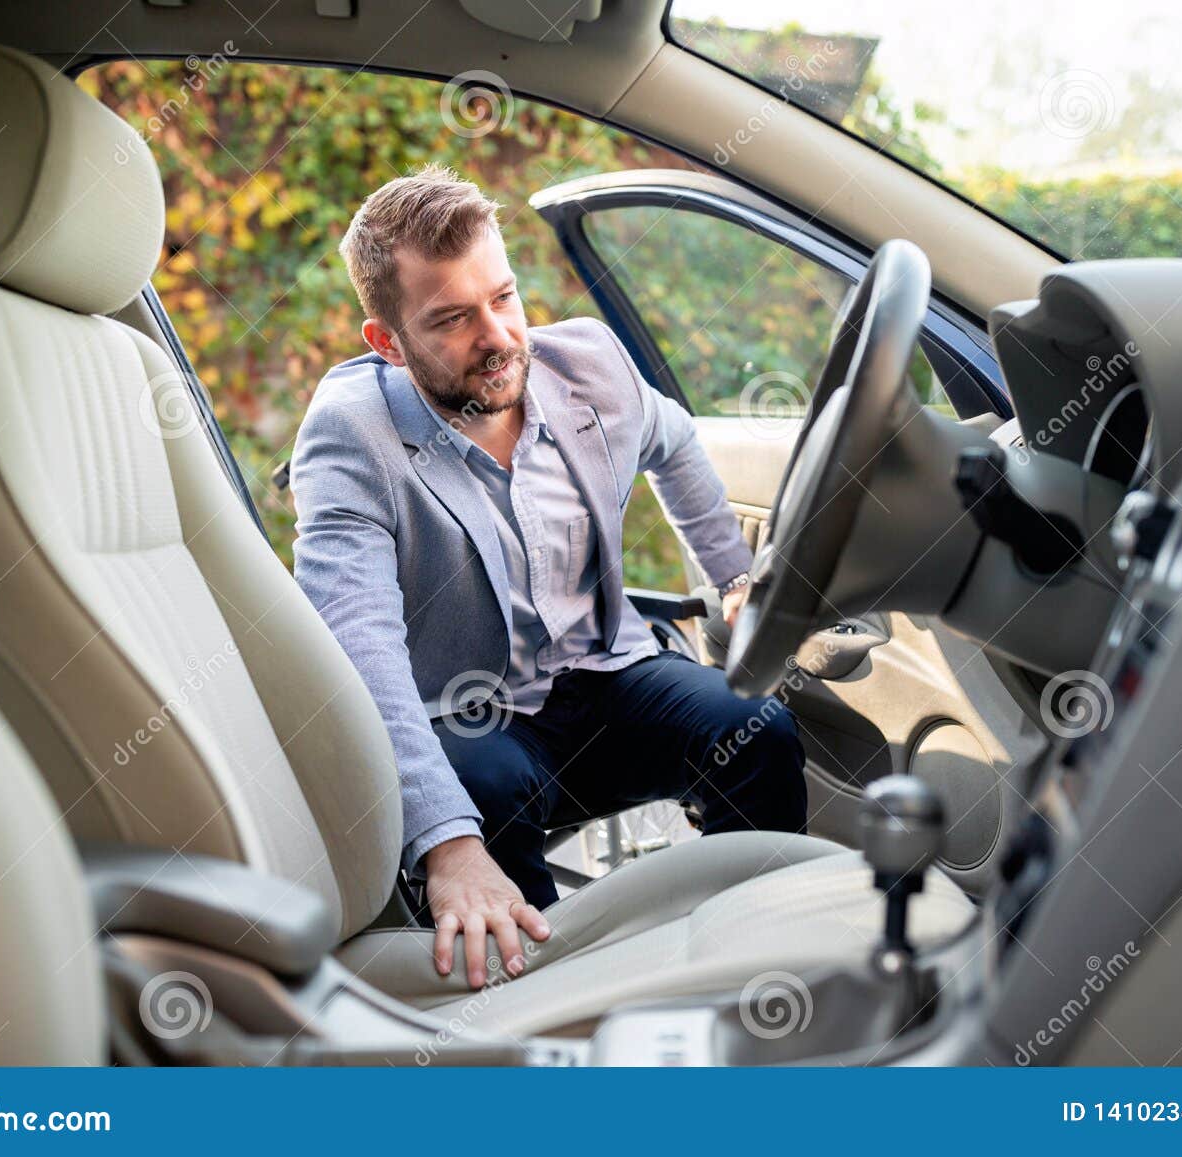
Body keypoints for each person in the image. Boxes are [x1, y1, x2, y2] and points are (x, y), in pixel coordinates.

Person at [291, 164, 806, 988]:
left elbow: (674, 441)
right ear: (387, 343)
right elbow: (360, 647)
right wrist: (447, 845)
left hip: (606, 670)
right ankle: (554, 1005)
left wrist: (736, 578)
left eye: (503, 297)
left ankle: (759, 963)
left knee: (758, 730)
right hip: (471, 709)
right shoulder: (351, 436)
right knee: (483, 794)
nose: (497, 336)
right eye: (452, 318)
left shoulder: (586, 364)